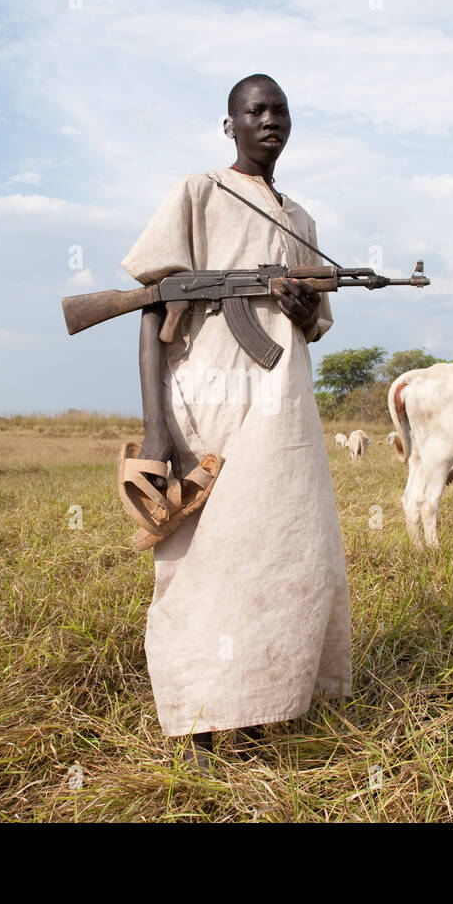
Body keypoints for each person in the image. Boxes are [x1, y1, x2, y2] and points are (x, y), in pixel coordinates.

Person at [119, 74, 351, 765]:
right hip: (208, 401)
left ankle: (252, 712)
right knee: (198, 561)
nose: (269, 120)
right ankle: (195, 724)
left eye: (280, 110)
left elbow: (311, 326)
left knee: (278, 556)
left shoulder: (301, 221)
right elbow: (152, 308)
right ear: (231, 126)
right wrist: (156, 426)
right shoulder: (199, 192)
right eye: (255, 110)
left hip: (284, 414)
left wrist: (304, 306)